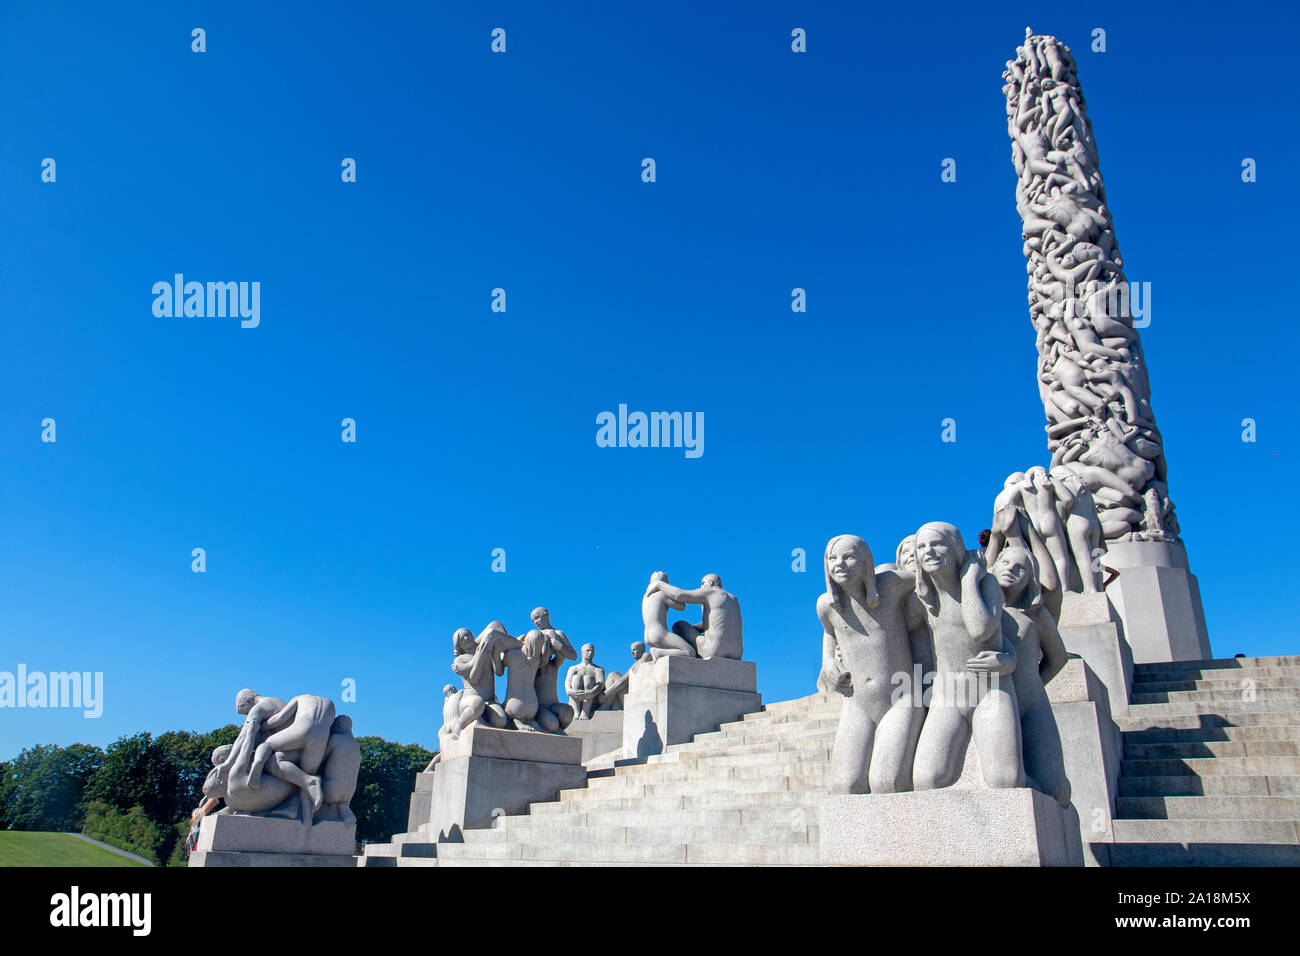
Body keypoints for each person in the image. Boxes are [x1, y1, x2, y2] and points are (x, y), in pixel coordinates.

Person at [911, 522, 1025, 793]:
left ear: (956, 548)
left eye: (937, 544)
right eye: (922, 547)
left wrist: (968, 579)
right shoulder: (922, 596)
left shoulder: (987, 585)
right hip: (947, 697)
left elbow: (980, 629)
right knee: (927, 779)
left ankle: (1040, 793)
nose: (929, 552)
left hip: (990, 692)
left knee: (1005, 780)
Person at [817, 534, 925, 794]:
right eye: (832, 559)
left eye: (848, 556)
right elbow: (830, 634)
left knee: (886, 782)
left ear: (866, 561)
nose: (839, 564)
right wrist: (828, 660)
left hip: (901, 698)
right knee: (844, 786)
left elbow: (931, 575)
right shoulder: (826, 606)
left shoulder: (890, 585)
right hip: (858, 704)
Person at [645, 573, 743, 660]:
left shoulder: (710, 592)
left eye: (702, 583)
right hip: (737, 653)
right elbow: (716, 624)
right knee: (689, 630)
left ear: (711, 582)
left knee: (679, 626)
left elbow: (679, 595)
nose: (701, 587)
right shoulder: (734, 600)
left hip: (714, 650)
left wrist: (660, 585)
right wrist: (693, 629)